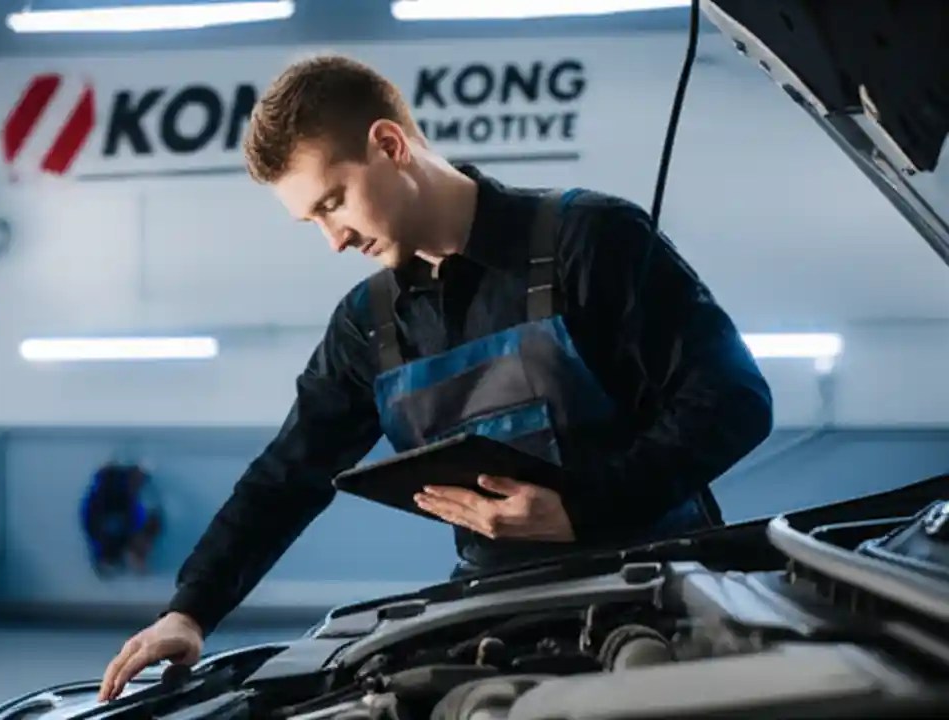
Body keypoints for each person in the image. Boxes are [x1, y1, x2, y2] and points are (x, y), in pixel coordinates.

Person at [98, 55, 772, 700]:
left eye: (334, 202)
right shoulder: (367, 326)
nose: (334, 239)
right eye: (313, 220)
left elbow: (734, 400)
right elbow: (287, 475)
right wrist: (189, 612)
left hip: (660, 599)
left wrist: (583, 507)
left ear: (390, 144)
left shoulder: (591, 241)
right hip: (499, 621)